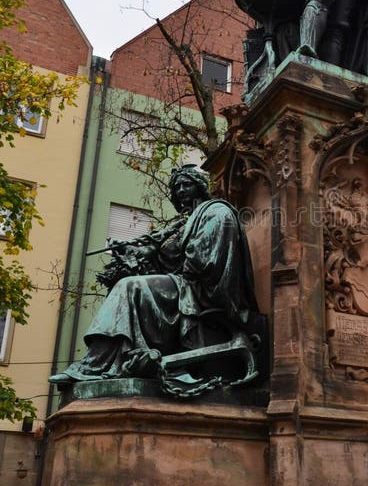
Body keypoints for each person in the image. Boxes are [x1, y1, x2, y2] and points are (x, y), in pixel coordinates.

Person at [50, 166, 261, 397]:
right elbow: (167, 260)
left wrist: (172, 257)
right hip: (183, 285)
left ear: (199, 186)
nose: (180, 190)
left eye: (186, 184)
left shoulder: (217, 212)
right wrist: (136, 252)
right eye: (176, 187)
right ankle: (107, 363)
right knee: (129, 284)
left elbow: (207, 262)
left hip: (202, 292)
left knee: (130, 287)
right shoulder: (185, 223)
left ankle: (96, 365)